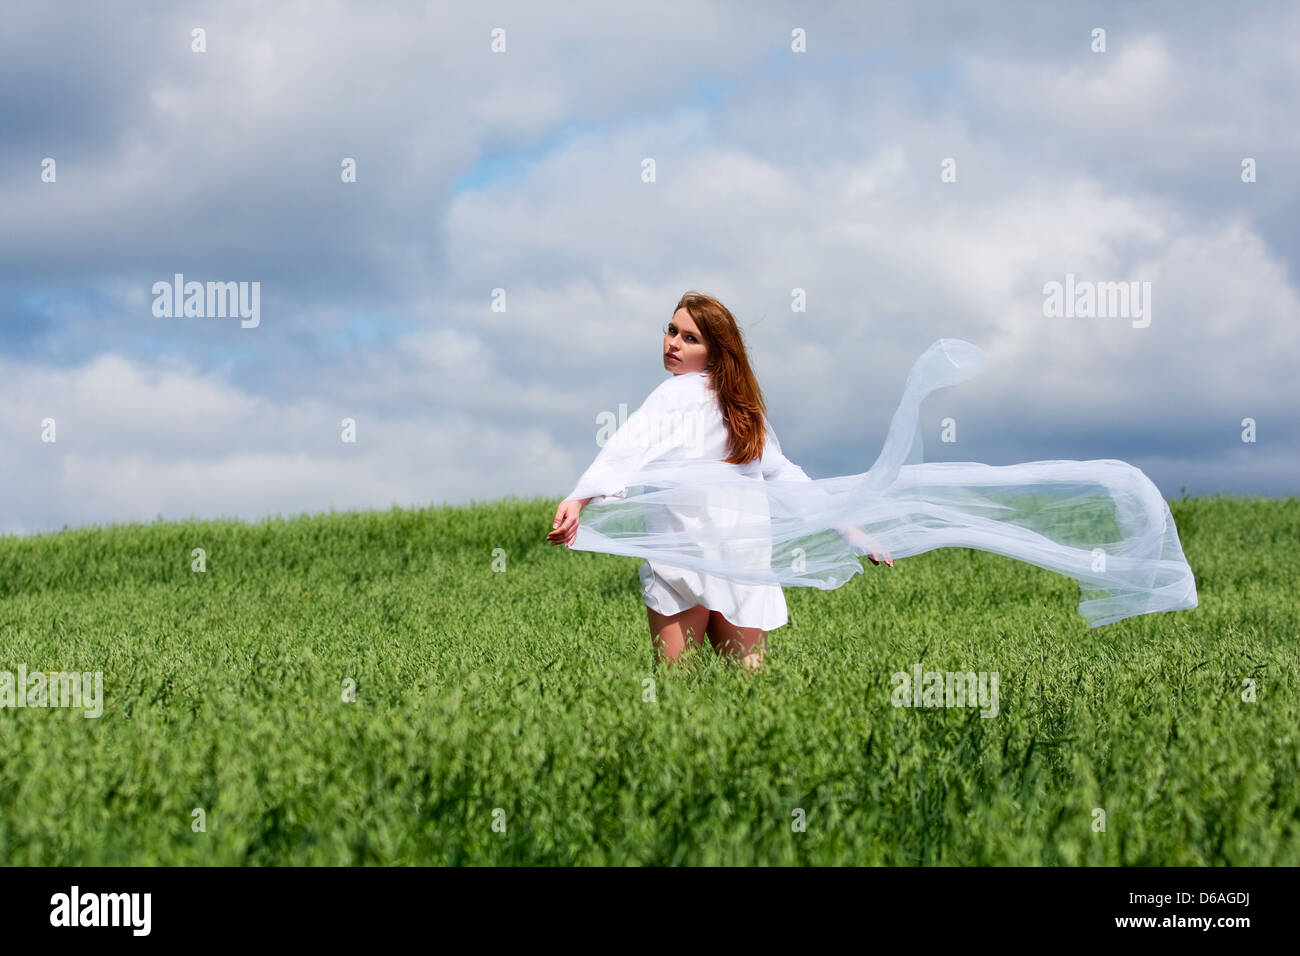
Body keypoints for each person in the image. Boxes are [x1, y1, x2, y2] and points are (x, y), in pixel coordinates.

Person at [545, 291, 892, 671]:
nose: (673, 343)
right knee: (747, 687)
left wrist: (579, 499)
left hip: (708, 559)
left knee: (681, 688)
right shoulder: (722, 403)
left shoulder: (729, 407)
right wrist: (849, 528)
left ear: (716, 351)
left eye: (690, 338)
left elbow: (780, 473)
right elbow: (627, 450)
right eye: (672, 331)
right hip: (717, 562)